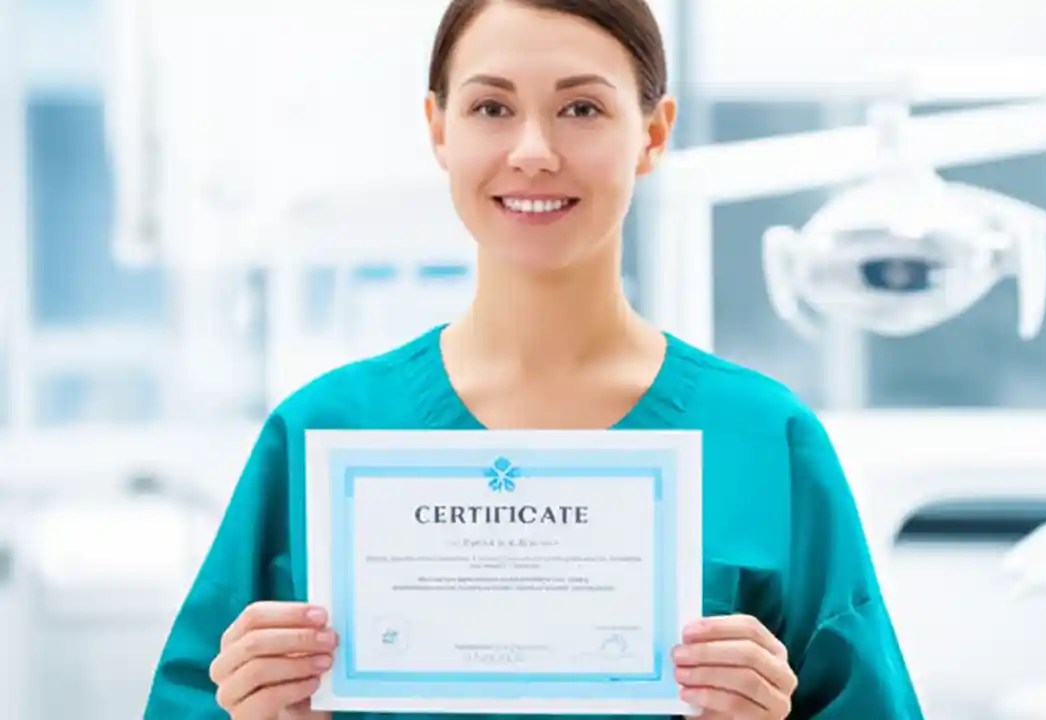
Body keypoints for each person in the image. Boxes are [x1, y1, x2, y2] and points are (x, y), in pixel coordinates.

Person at [142, 0, 925, 718]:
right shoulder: (322, 432)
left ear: (653, 133)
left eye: (581, 108)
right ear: (439, 129)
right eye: (491, 107)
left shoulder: (765, 441)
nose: (533, 150)